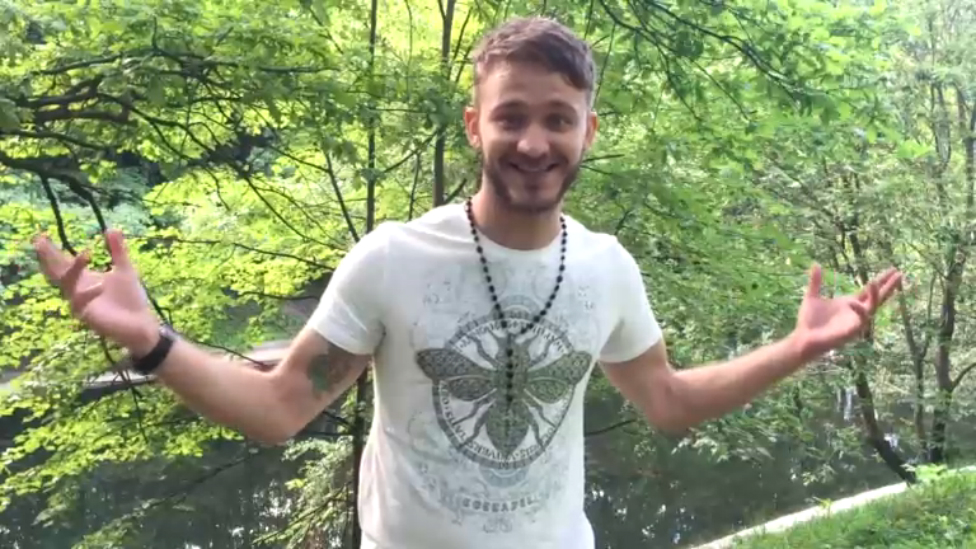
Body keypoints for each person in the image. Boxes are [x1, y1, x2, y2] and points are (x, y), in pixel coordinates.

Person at [33, 15, 902, 549]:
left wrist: (798, 348)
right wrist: (153, 341)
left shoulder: (607, 266)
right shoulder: (392, 257)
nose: (534, 142)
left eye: (558, 119)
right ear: (474, 125)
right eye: (511, 116)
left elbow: (668, 401)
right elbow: (279, 407)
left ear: (589, 131)